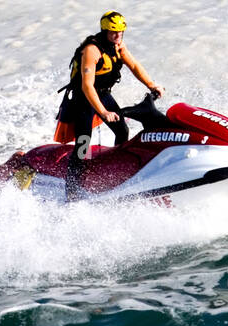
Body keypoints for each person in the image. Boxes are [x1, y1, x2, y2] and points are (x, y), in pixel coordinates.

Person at [56, 12, 164, 201]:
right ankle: (72, 191)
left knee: (122, 130)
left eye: (121, 32)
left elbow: (135, 66)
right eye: (114, 32)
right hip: (84, 99)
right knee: (83, 144)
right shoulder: (92, 50)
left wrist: (151, 85)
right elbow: (87, 86)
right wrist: (104, 112)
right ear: (105, 31)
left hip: (104, 94)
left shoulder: (119, 47)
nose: (118, 36)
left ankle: (116, 173)